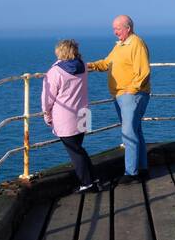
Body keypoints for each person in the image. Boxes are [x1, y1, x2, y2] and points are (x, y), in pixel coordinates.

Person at [87, 15, 151, 182]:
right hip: (122, 95)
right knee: (136, 131)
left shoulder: (135, 43)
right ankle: (142, 168)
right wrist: (90, 65)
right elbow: (107, 63)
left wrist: (132, 90)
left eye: (117, 29)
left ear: (127, 28)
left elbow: (143, 71)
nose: (115, 32)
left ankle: (131, 173)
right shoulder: (121, 46)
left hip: (131, 95)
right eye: (114, 29)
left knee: (128, 133)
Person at [41, 39, 100, 193]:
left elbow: (47, 98)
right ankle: (93, 178)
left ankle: (87, 183)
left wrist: (47, 114)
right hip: (83, 113)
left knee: (75, 151)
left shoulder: (55, 72)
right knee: (78, 148)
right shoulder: (83, 66)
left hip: (65, 116)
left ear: (60, 52)